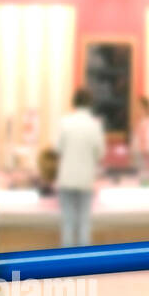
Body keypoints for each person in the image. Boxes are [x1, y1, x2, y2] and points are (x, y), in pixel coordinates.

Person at [56, 88, 105, 246]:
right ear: (90, 104)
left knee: (68, 223)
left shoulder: (65, 122)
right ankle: (85, 265)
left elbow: (58, 149)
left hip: (66, 177)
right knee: (84, 223)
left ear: (74, 102)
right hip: (85, 178)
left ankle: (66, 264)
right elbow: (100, 152)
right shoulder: (95, 125)